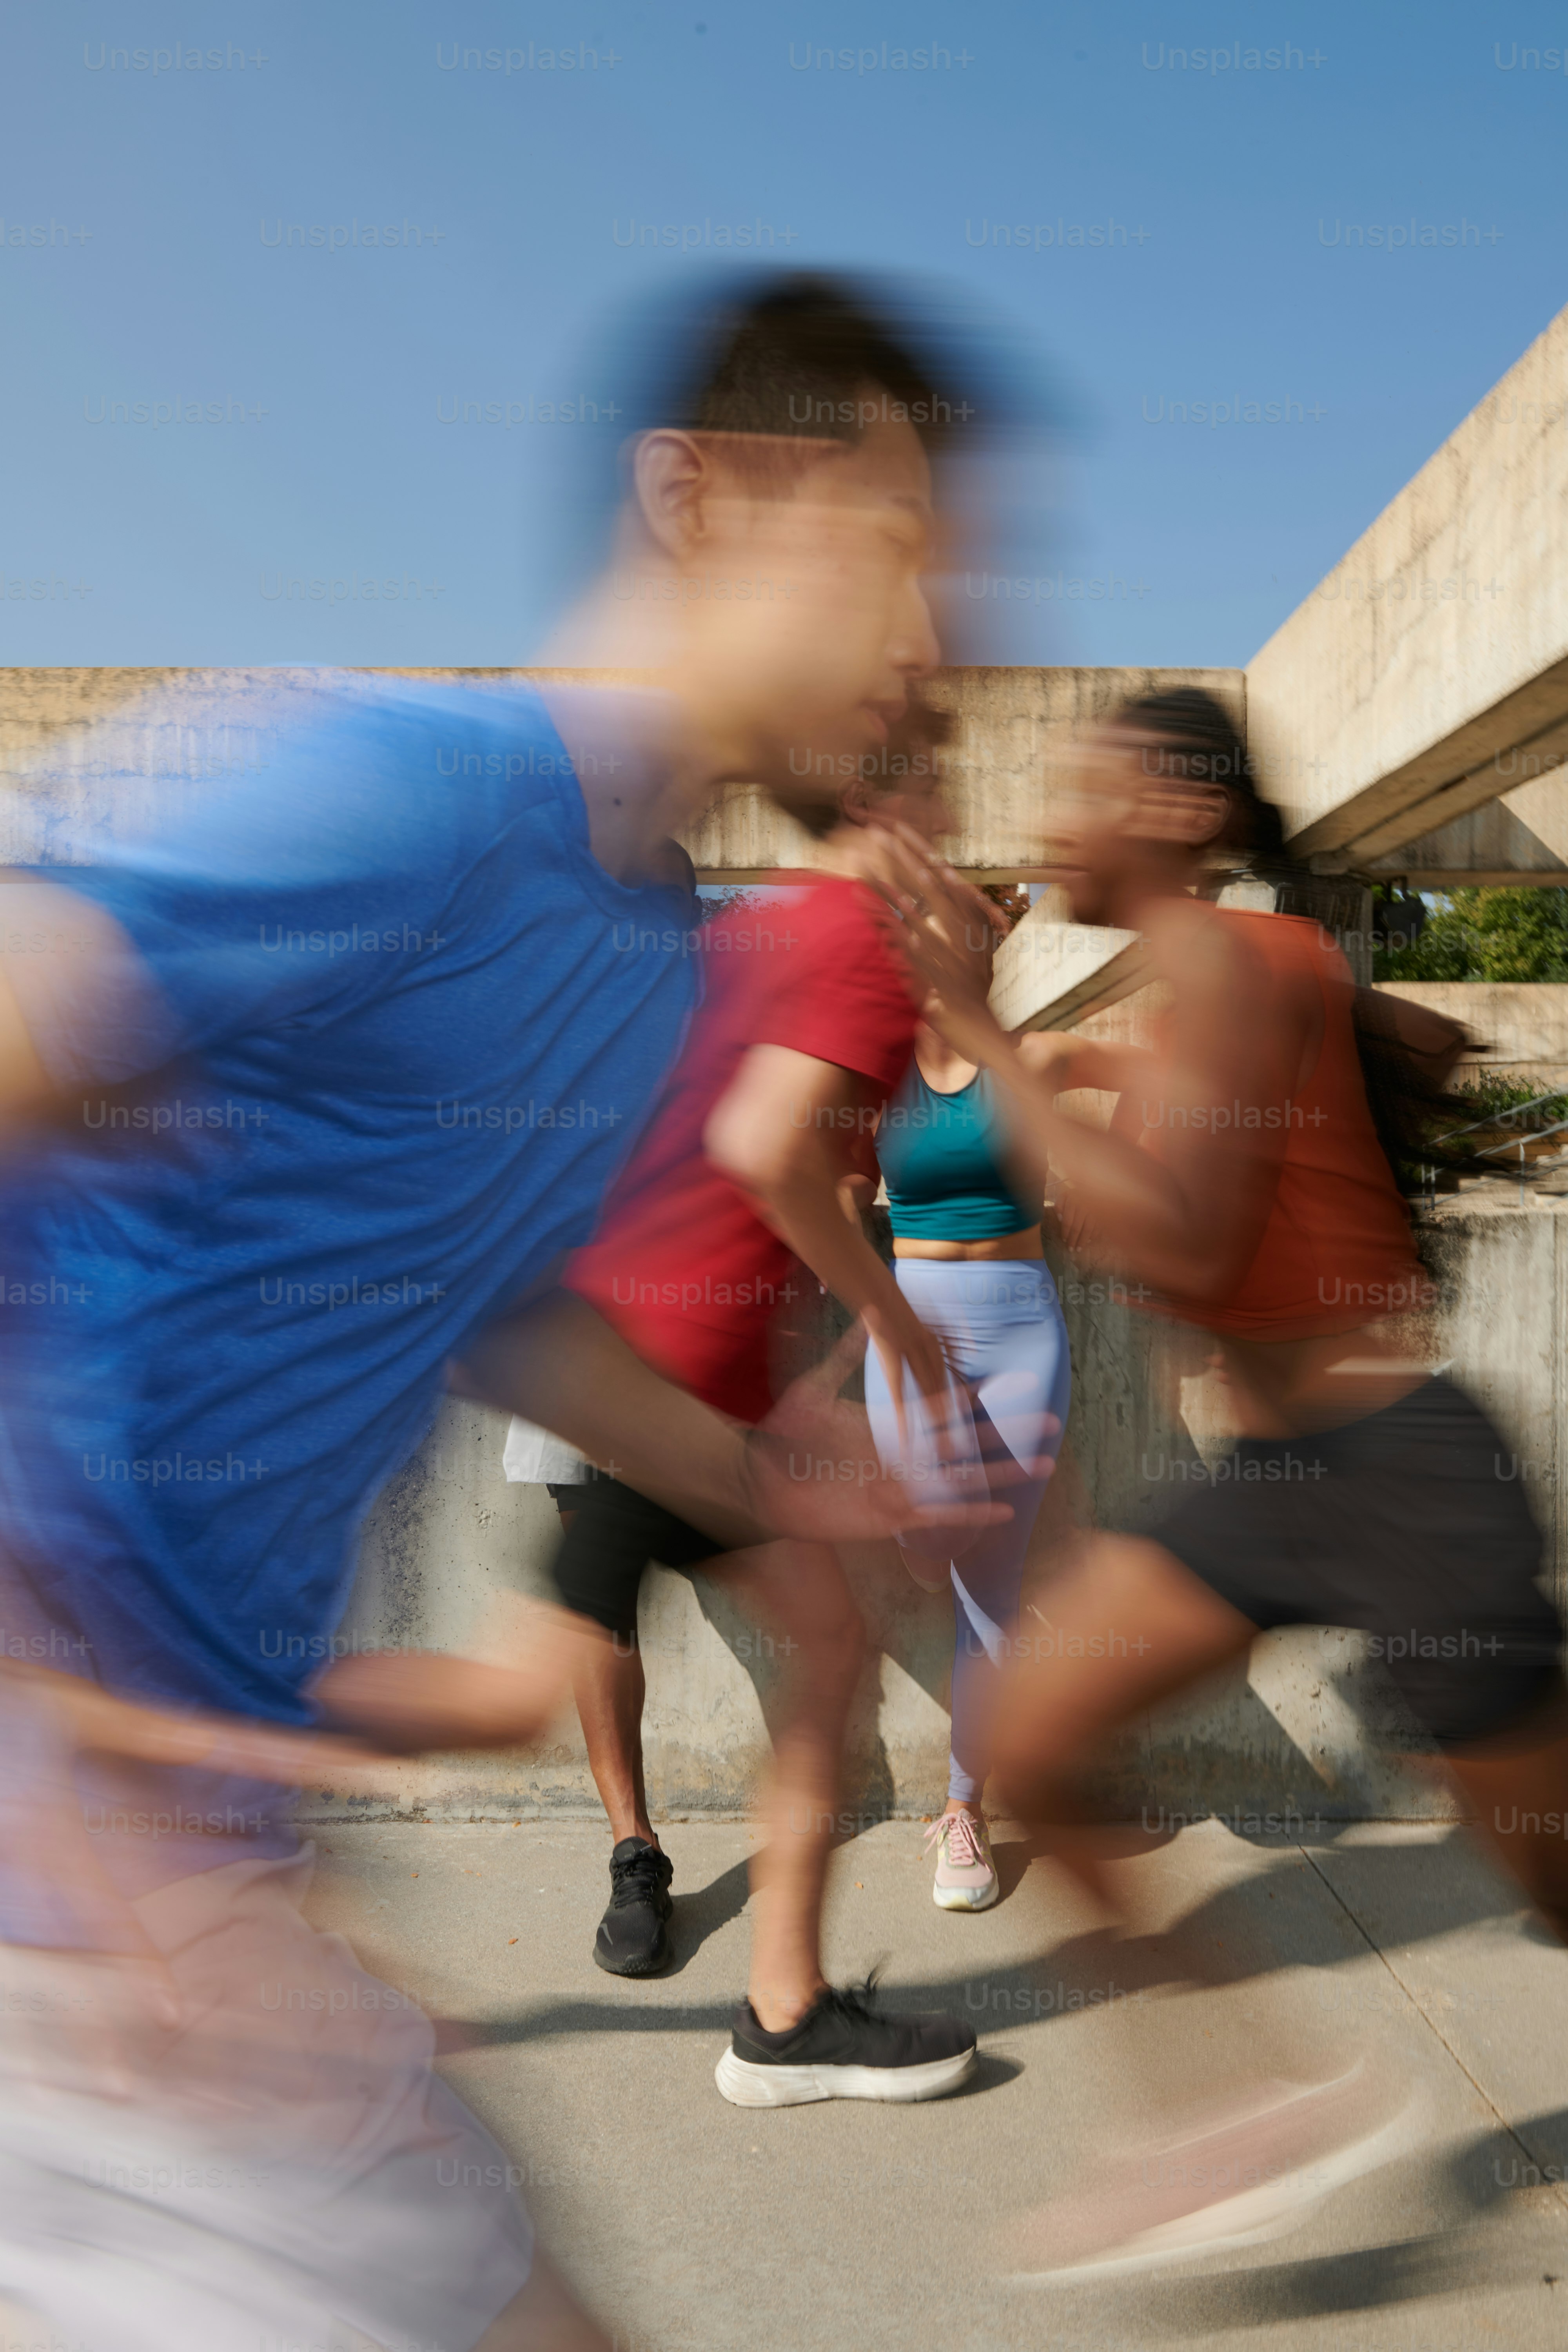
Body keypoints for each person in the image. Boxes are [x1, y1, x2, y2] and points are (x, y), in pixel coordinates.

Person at [0, 273, 1020, 2348]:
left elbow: (495, 1306)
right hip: (80, 1940)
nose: (935, 650)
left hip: (203, 1887)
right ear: (694, 497)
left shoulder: (640, 939)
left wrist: (770, 1481)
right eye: (896, 557)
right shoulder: (406, 782)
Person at [880, 684, 1568, 2271]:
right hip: (1274, 1485)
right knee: (1030, 1733)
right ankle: (1243, 2112)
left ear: (1182, 812)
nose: (1053, 814)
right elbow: (1415, 1038)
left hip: (1399, 1476)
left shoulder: (1233, 954)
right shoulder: (1235, 980)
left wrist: (991, 1042)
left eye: (1085, 785)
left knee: (1550, 1868)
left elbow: (1181, 1240)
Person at [549, 717, 990, 2105]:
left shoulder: (773, 927)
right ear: (877, 792)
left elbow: (727, 1163)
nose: (957, 794)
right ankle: (784, 2015)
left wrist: (802, 1393)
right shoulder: (849, 927)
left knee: (831, 1644)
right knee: (517, 1682)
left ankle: (786, 2015)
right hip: (664, 1378)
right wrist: (901, 1328)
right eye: (939, 769)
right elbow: (757, 1152)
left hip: (660, 1365)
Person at [864, 981, 1071, 1914]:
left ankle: (961, 1810)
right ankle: (923, 1537)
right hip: (911, 1323)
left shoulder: (1037, 1055)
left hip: (1022, 1328)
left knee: (992, 1591)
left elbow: (1150, 1075)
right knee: (930, 1529)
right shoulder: (867, 1069)